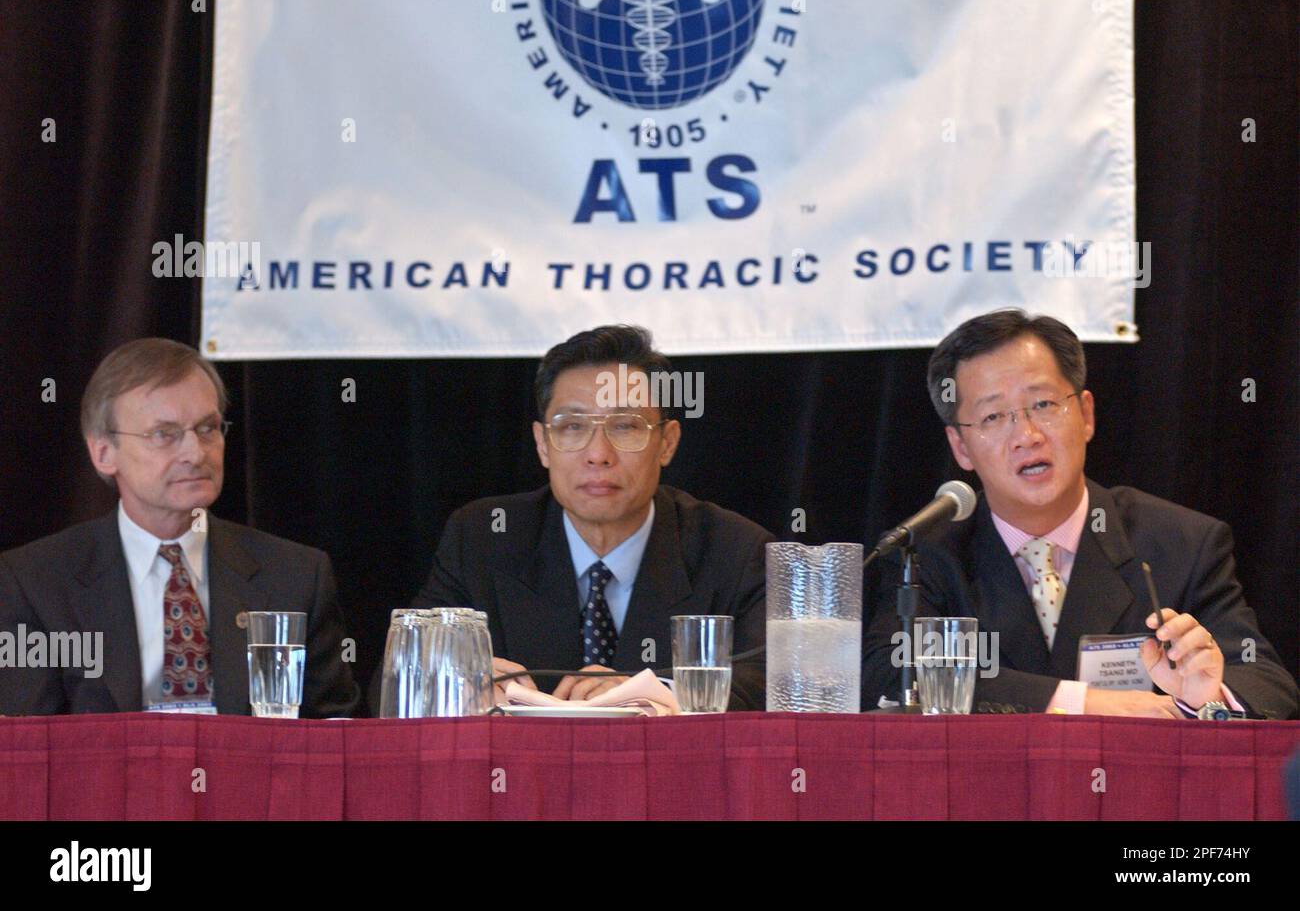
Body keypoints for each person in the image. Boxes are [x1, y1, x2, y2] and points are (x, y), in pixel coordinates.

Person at [862, 310, 1297, 718]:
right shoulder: (930, 556)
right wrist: (1088, 703)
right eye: (994, 416)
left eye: (1044, 405)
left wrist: (1203, 700)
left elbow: (1266, 683)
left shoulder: (1180, 543)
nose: (1026, 436)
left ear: (1086, 414)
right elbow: (891, 675)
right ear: (961, 447)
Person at [407, 325, 771, 709]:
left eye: (626, 426)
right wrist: (452, 679)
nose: (598, 453)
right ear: (542, 444)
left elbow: (773, 679)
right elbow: (398, 673)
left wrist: (651, 690)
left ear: (667, 442)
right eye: (572, 427)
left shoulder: (734, 550)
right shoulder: (482, 539)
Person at [0, 338, 360, 717]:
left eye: (207, 428)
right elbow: (28, 752)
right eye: (163, 434)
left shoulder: (296, 577)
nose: (195, 453)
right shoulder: (35, 583)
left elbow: (334, 746)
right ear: (104, 453)